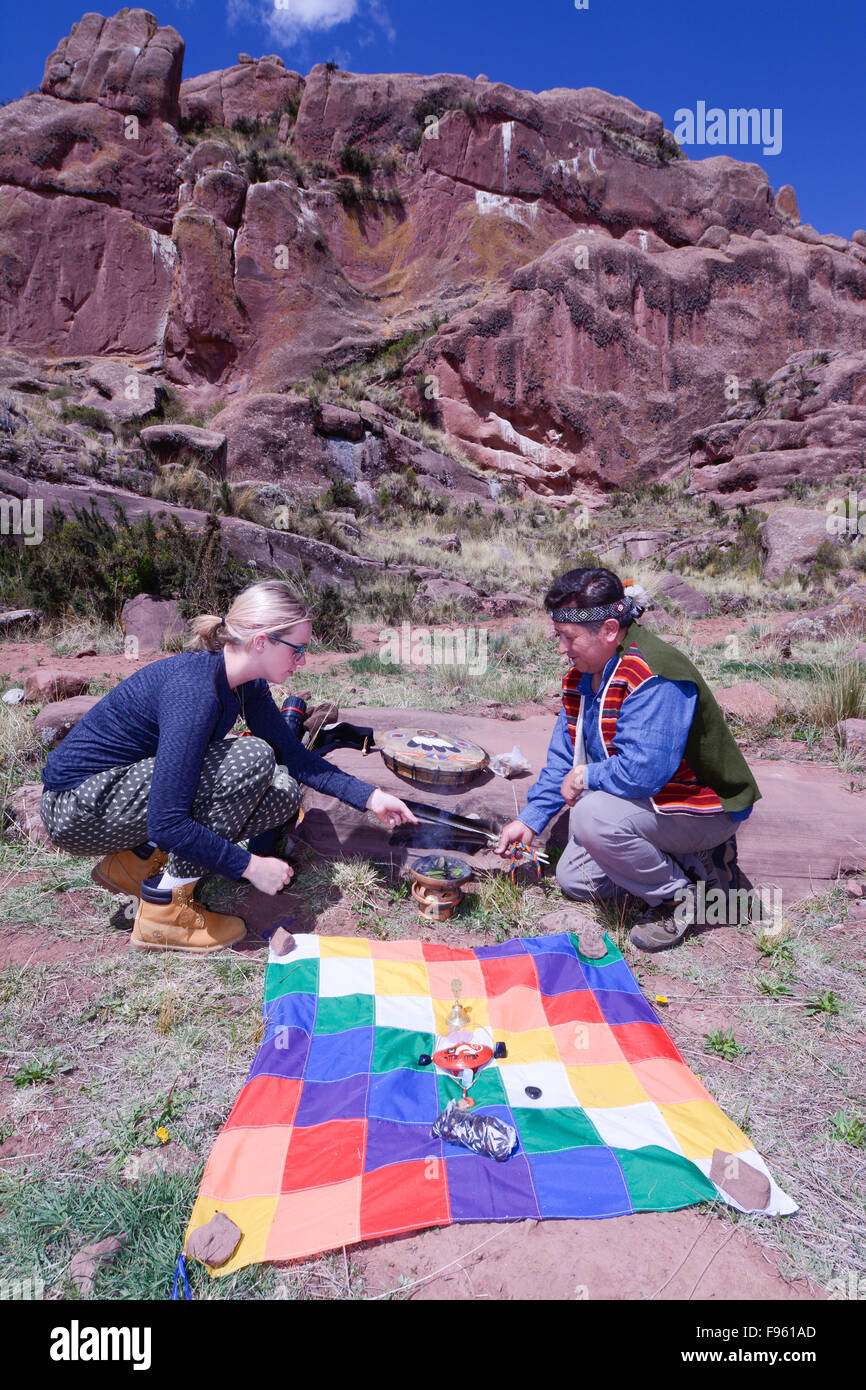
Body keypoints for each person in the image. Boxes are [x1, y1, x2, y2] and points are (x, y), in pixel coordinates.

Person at [39, 580, 417, 953]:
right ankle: (163, 910)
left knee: (283, 792)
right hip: (76, 808)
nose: (303, 660)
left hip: (118, 796)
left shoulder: (245, 684)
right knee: (252, 757)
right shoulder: (195, 692)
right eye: (298, 649)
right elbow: (166, 822)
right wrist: (249, 866)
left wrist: (371, 797)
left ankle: (134, 863)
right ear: (261, 642)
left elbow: (294, 756)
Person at [496, 567, 761, 951]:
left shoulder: (654, 673)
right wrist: (530, 819)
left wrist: (585, 777)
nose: (560, 649)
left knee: (590, 816)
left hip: (698, 806)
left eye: (567, 638)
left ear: (607, 629)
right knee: (575, 879)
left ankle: (678, 899)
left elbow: (644, 772)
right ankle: (694, 865)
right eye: (558, 636)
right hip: (646, 804)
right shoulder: (583, 677)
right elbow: (562, 758)